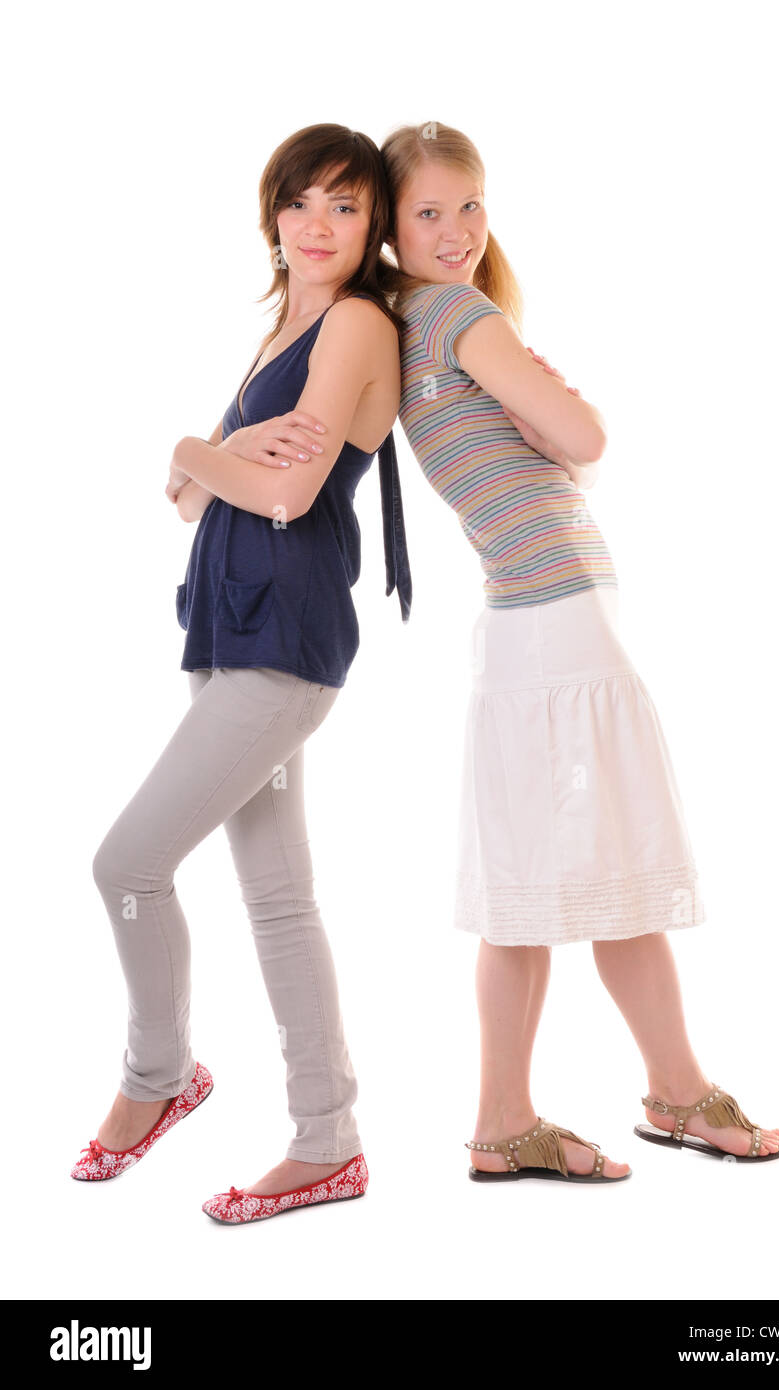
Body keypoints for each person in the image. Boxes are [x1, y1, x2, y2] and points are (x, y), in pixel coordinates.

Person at [380, 120, 779, 1183]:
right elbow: (588, 440)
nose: (457, 229)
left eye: (470, 204)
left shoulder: (408, 326)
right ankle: (677, 1093)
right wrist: (565, 415)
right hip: (559, 622)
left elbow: (562, 443)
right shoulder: (461, 317)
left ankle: (506, 1119)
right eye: (427, 211)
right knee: (613, 872)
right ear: (388, 223)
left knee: (534, 885)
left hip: (521, 631)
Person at [72, 124, 412, 1226]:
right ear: (273, 213)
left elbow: (278, 494)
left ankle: (156, 1077)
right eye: (301, 202)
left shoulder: (357, 321)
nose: (319, 225)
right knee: (277, 900)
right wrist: (204, 466)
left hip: (282, 639)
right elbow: (188, 499)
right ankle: (328, 1141)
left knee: (127, 863)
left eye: (347, 208)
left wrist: (190, 447)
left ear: (371, 228)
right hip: (227, 630)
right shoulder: (288, 325)